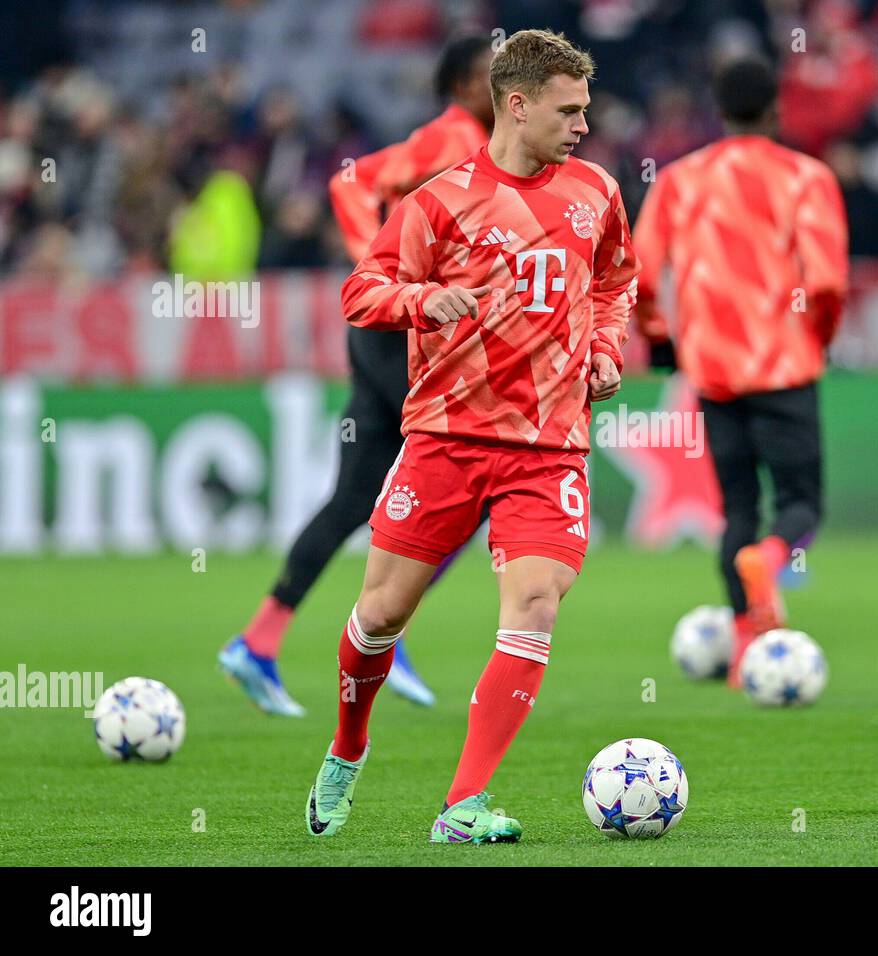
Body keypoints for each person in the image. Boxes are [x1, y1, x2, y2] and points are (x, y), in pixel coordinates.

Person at [304, 29, 638, 844]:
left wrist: (602, 348)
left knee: (534, 606)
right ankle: (349, 746)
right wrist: (422, 303)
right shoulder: (438, 200)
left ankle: (462, 805)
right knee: (380, 615)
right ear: (515, 105)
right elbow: (362, 290)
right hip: (447, 440)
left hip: (550, 445)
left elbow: (614, 282)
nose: (583, 125)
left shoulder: (596, 191)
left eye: (586, 109)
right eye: (568, 110)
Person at [218, 37, 494, 716]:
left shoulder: (466, 144)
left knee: (353, 498)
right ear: (462, 83)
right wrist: (374, 262)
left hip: (385, 333)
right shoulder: (451, 138)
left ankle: (258, 641)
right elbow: (349, 180)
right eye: (496, 77)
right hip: (400, 332)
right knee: (479, 474)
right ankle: (388, 627)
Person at [632, 57, 848, 687]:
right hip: (784, 365)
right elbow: (828, 280)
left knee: (738, 509)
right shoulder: (807, 178)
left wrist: (662, 339)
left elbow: (641, 275)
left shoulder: (678, 180)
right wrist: (819, 336)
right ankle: (773, 561)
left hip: (713, 371)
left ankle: (746, 647)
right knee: (801, 503)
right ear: (775, 109)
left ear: (719, 110)